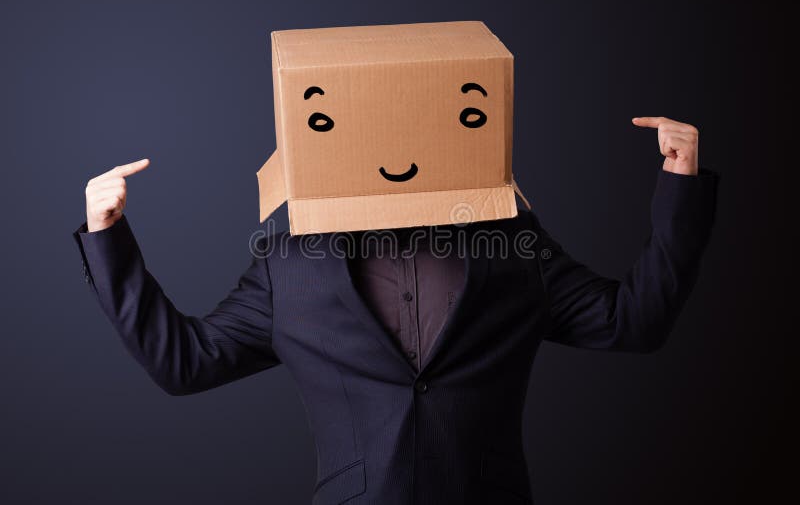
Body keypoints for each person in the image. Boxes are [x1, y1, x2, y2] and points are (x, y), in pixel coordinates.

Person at [73, 116, 718, 504]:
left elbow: (633, 322)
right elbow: (185, 363)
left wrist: (679, 182)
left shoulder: (512, 244)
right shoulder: (291, 261)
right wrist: (109, 237)